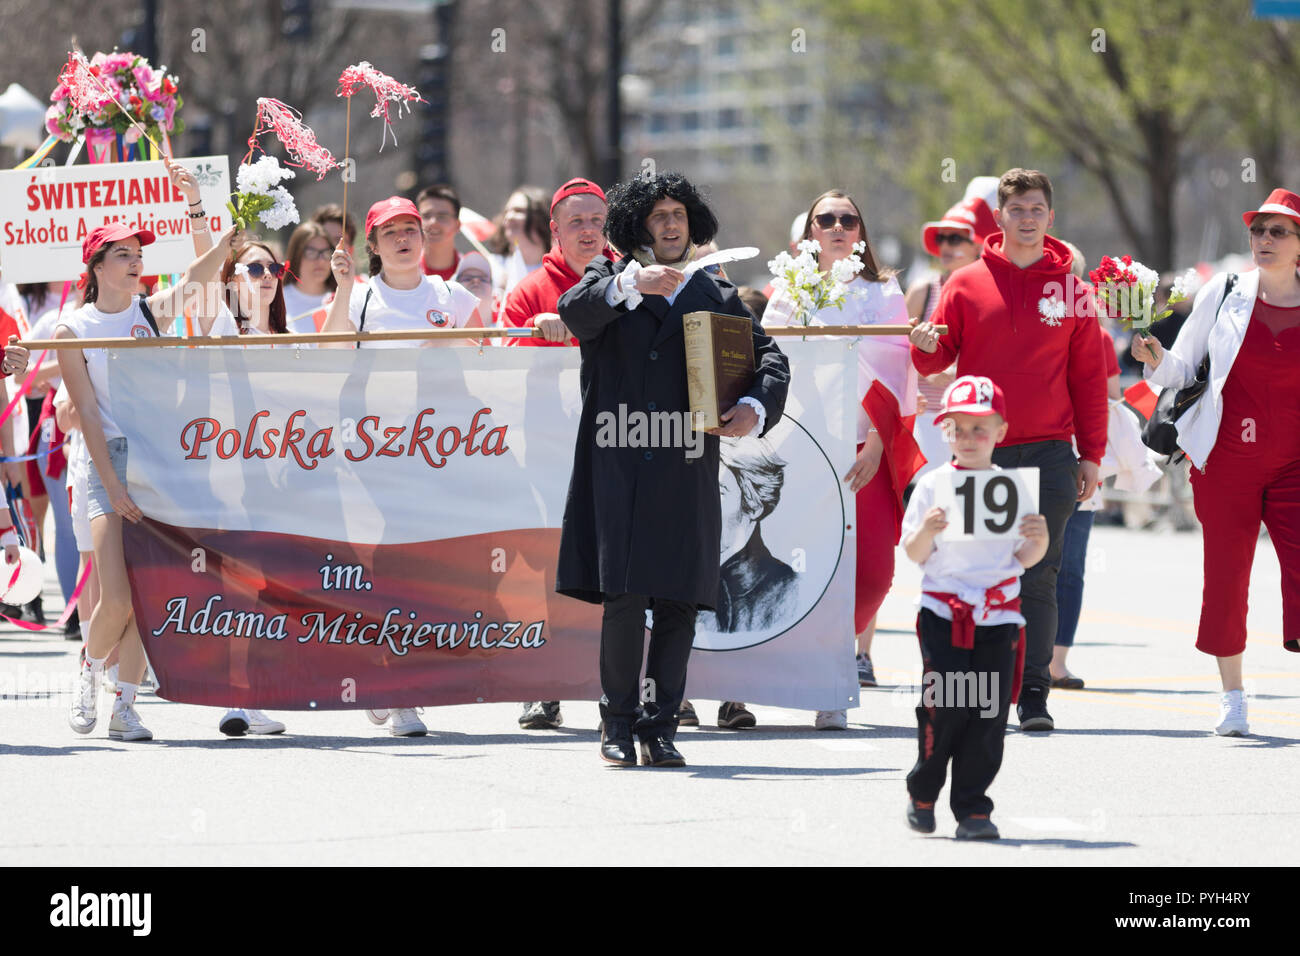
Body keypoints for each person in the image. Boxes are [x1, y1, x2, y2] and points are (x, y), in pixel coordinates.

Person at [556, 171, 790, 767]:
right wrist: (630, 284)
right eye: (658, 216)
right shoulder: (610, 279)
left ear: (694, 228)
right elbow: (573, 312)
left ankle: (661, 727)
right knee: (626, 598)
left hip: (686, 468)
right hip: (621, 464)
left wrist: (756, 405)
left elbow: (769, 356)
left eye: (679, 216)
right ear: (638, 225)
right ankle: (617, 722)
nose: (669, 224)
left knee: (681, 600)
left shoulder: (714, 293)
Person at [910, 168, 1107, 733]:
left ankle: (1035, 693)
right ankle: (976, 683)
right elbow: (934, 359)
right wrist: (923, 347)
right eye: (1017, 208)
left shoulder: (1075, 290)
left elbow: (1089, 379)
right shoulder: (966, 283)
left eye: (1037, 208)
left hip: (1049, 452)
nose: (1027, 217)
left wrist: (1090, 453)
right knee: (976, 572)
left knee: (1040, 574)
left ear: (1051, 216)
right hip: (981, 455)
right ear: (998, 218)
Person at [60, 220, 237, 742]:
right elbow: (88, 412)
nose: (135, 262)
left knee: (146, 597)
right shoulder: (74, 328)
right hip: (108, 461)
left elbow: (195, 280)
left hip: (160, 457)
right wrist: (111, 483)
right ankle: (89, 672)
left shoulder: (150, 311)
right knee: (114, 596)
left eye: (138, 253)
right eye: (122, 254)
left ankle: (126, 707)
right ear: (96, 268)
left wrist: (221, 233)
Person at [1131, 188, 1300, 736]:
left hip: (1296, 464)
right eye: (1259, 230)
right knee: (1227, 576)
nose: (1264, 240)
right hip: (1225, 459)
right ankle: (1233, 696)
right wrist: (1155, 358)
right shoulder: (1225, 291)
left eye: (1279, 232)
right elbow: (1183, 369)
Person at [322, 196, 481, 736]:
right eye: (390, 232)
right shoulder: (362, 297)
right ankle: (395, 680)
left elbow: (486, 364)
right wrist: (343, 286)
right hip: (374, 452)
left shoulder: (452, 296)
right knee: (386, 564)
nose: (404, 238)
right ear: (372, 244)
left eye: (411, 228)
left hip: (436, 452)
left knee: (423, 568)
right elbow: (332, 355)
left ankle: (399, 676)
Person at [765, 189, 920, 729]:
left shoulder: (884, 290)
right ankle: (822, 673)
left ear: (861, 231)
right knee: (802, 563)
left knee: (875, 574)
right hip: (807, 446)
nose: (836, 226)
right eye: (824, 219)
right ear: (810, 231)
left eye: (847, 219)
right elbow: (769, 357)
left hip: (864, 448)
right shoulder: (789, 285)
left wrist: (879, 443)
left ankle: (826, 656)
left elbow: (899, 370)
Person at [901, 375, 1048, 840]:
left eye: (979, 429)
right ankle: (923, 790)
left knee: (987, 715)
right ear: (946, 432)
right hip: (945, 614)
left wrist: (1040, 542)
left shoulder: (1012, 489)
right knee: (946, 706)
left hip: (998, 617)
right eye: (958, 429)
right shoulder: (932, 485)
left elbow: (1021, 559)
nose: (968, 439)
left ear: (1001, 432)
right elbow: (915, 553)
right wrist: (926, 529)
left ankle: (972, 808)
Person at [498, 177, 612, 730]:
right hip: (549, 455)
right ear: (556, 231)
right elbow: (506, 367)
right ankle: (545, 684)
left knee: (623, 567)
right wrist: (539, 334)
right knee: (549, 570)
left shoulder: (630, 280)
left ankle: (630, 680)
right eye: (576, 223)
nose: (587, 231)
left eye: (596, 221)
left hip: (621, 446)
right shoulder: (528, 291)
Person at [906, 178, 999, 483]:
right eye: (942, 237)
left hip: (978, 423)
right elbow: (895, 356)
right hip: (928, 421)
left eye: (955, 239)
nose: (945, 246)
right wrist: (929, 370)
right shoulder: (922, 291)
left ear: (978, 244)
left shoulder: (993, 295)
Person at [486, 186, 551, 297]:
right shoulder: (490, 267)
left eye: (518, 211)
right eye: (506, 211)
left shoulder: (556, 270)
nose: (509, 217)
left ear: (541, 217)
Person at [282, 222, 337, 333]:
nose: (320, 260)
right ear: (296, 255)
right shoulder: (278, 299)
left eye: (326, 253)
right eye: (311, 253)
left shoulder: (340, 299)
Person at [416, 184, 463, 281]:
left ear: (457, 225)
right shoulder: (402, 272)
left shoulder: (472, 273)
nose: (433, 222)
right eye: (426, 216)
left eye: (442, 216)